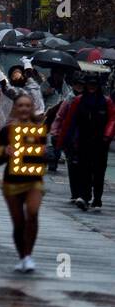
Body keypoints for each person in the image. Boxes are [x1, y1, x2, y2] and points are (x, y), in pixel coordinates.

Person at [0, 93, 46, 273]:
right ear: (15, 109)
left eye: (27, 105)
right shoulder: (6, 131)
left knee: (32, 214)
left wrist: (44, 152)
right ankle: (22, 256)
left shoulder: (40, 131)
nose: (24, 109)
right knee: (18, 223)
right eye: (20, 106)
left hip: (34, 181)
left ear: (32, 108)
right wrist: (5, 150)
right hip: (12, 182)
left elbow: (46, 157)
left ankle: (29, 255)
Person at [53, 76, 115, 210]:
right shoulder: (78, 101)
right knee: (84, 169)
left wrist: (107, 136)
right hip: (83, 140)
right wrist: (64, 139)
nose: (92, 88)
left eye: (94, 85)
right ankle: (85, 196)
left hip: (100, 142)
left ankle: (97, 198)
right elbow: (70, 121)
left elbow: (112, 119)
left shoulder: (106, 101)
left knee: (98, 171)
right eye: (89, 85)